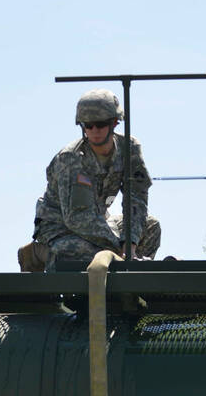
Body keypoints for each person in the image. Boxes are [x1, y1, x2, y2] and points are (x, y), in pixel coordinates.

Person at [18, 89, 161, 272]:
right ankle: (39, 252)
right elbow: (77, 217)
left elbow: (137, 199)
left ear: (114, 123)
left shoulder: (129, 149)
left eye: (100, 124)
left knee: (151, 227)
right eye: (88, 125)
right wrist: (117, 246)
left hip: (98, 221)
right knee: (85, 252)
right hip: (59, 227)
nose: (94, 131)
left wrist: (130, 241)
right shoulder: (71, 158)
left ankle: (127, 283)